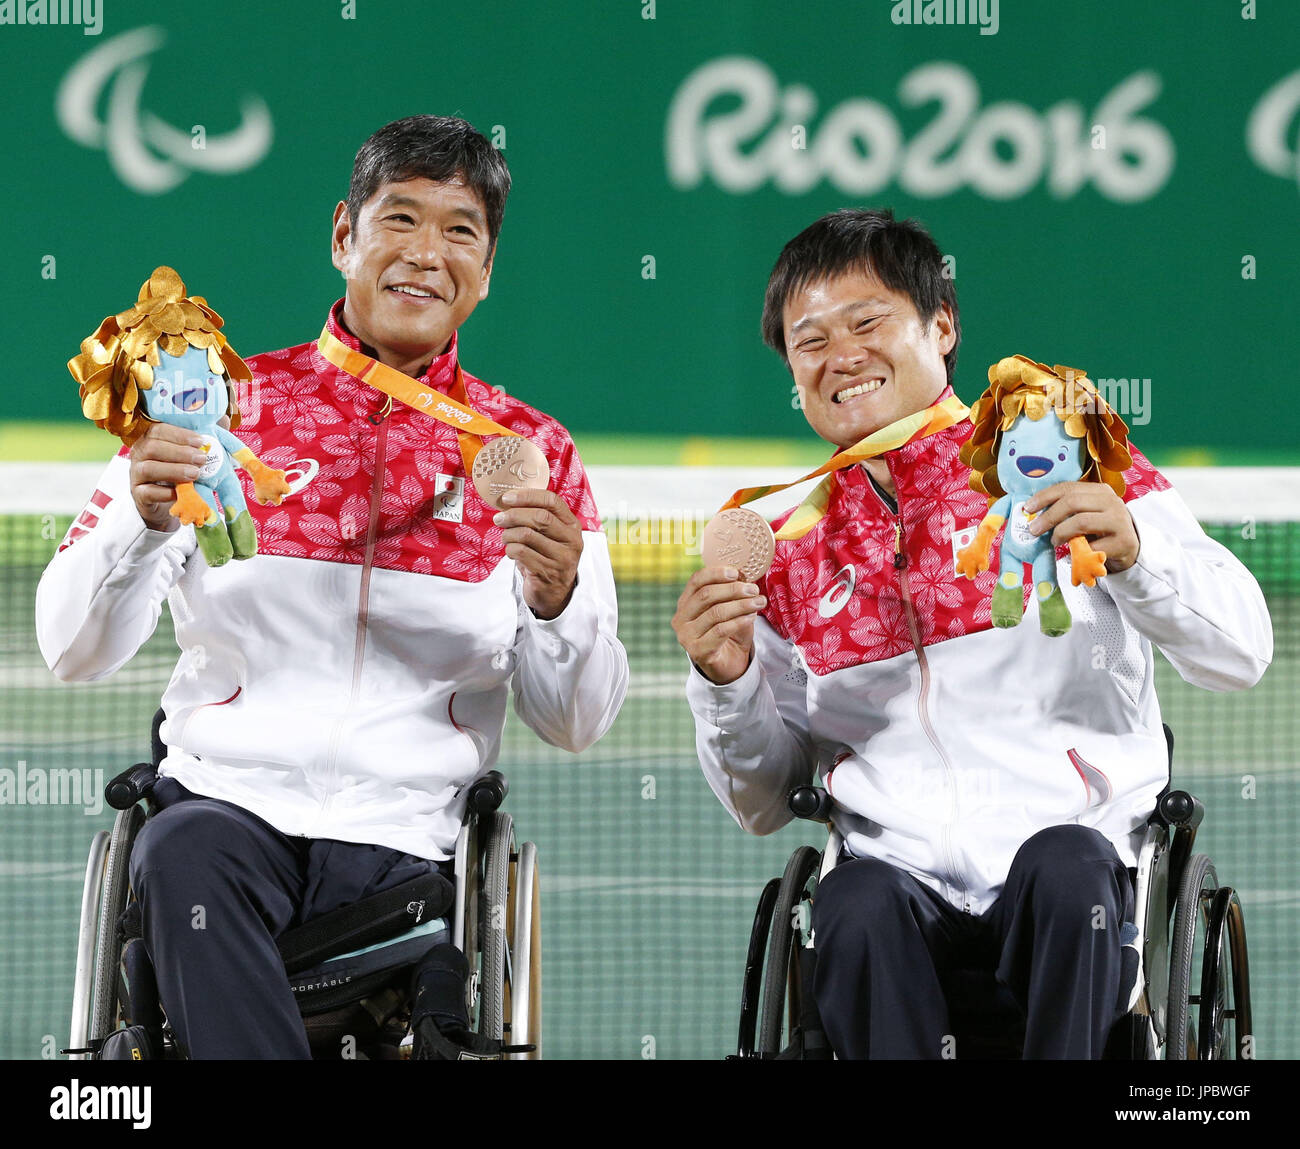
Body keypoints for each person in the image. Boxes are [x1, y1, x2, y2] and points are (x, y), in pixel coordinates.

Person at [37, 115, 629, 1059]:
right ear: (343, 235)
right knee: (182, 854)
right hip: (225, 811)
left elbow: (576, 719)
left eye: (461, 231)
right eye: (399, 219)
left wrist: (558, 604)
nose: (426, 253)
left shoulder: (534, 455)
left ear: (487, 269)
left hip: (402, 838)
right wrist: (137, 522)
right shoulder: (220, 412)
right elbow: (70, 649)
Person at [672, 208, 1272, 1059]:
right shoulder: (784, 542)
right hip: (898, 886)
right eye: (810, 340)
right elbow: (764, 802)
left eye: (868, 321)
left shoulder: (1066, 451)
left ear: (942, 326)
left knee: (1067, 868)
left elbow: (1243, 651)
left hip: (1072, 873)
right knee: (853, 904)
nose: (840, 353)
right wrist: (725, 683)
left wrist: (1137, 557)